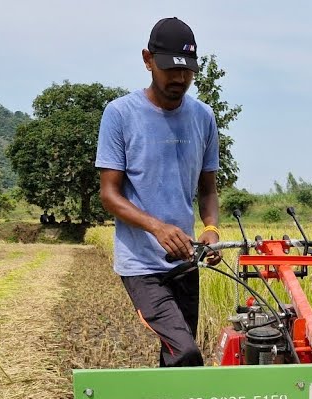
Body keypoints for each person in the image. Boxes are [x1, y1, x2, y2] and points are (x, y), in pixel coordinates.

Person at [96, 16, 222, 367]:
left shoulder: (203, 117)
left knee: (176, 361)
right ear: (147, 60)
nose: (179, 78)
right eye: (170, 69)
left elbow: (208, 190)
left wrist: (211, 229)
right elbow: (109, 194)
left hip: (185, 260)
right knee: (186, 352)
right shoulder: (120, 114)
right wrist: (157, 227)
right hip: (142, 265)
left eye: (187, 70)